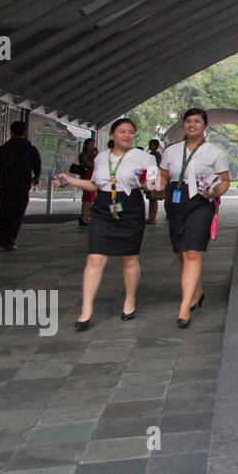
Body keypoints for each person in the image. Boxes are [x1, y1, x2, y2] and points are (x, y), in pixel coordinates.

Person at [54, 119, 160, 329]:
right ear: (112, 135)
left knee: (128, 259)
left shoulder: (143, 157)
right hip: (103, 207)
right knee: (94, 257)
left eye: (131, 132)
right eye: (122, 131)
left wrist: (148, 181)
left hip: (129, 206)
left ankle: (129, 301)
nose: (127, 135)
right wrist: (71, 180)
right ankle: (86, 310)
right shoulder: (102, 157)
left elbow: (152, 184)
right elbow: (96, 184)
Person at [158, 108, 230, 329]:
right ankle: (196, 292)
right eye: (188, 121)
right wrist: (155, 183)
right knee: (181, 251)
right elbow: (163, 174)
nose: (191, 125)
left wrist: (215, 192)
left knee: (192, 252)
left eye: (196, 121)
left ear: (204, 125)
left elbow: (224, 180)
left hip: (200, 203)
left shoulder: (215, 152)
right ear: (183, 125)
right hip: (176, 202)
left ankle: (184, 306)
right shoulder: (171, 151)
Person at [0, 119, 41, 250]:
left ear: (11, 132)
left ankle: (3, 239)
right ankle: (11, 239)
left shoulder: (3, 149)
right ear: (24, 133)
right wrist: (36, 177)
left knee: (5, 212)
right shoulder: (30, 149)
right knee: (17, 213)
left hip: (5, 185)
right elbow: (37, 166)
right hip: (22, 185)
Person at [73, 137, 97, 226]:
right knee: (87, 198)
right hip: (87, 177)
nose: (92, 146)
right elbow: (88, 164)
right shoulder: (84, 155)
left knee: (90, 198)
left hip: (92, 177)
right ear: (86, 145)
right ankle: (84, 217)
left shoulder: (92, 154)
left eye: (93, 145)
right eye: (91, 144)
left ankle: (86, 216)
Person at [145, 138, 163, 224]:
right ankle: (151, 217)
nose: (150, 146)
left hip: (154, 177)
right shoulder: (151, 154)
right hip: (150, 176)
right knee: (151, 198)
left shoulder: (157, 155)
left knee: (153, 198)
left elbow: (158, 165)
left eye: (152, 144)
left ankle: (152, 218)